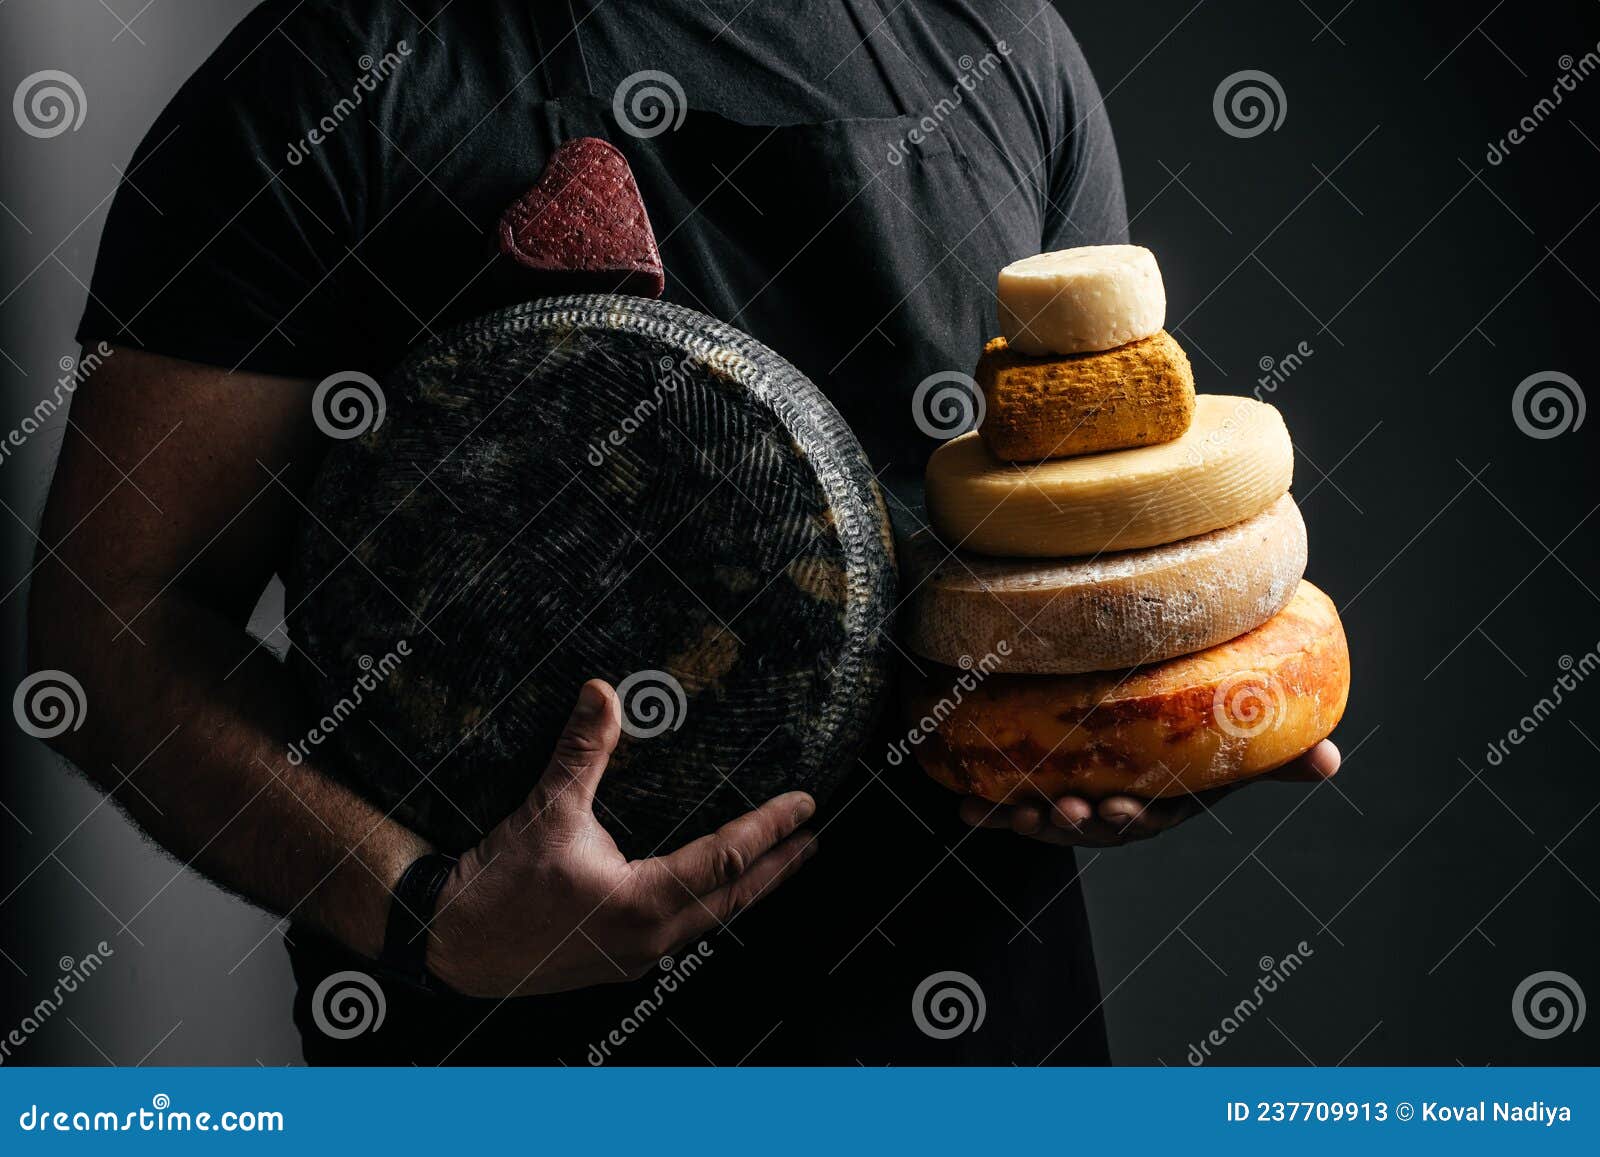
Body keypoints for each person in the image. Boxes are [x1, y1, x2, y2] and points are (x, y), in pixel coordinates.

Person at [29, 0, 1338, 1065]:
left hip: (973, 1030)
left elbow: (1082, 534)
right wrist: (424, 907)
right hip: (520, 1062)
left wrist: (1129, 733)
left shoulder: (1002, 44)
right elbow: (108, 620)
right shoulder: (325, 77)